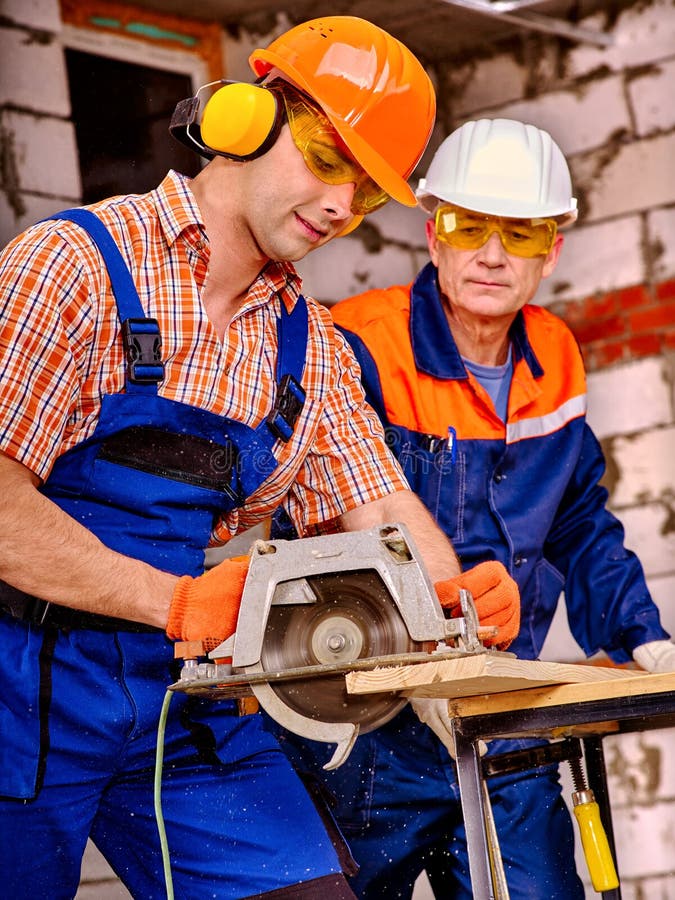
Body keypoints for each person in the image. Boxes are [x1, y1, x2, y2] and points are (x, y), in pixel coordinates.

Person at [0, 19, 522, 900]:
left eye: (365, 194)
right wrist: (171, 601)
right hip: (17, 683)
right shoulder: (72, 266)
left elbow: (375, 501)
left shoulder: (309, 349)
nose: (338, 207)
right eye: (327, 161)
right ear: (247, 119)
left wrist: (447, 600)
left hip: (184, 698)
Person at [271, 117, 675, 898]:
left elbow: (576, 521)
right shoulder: (357, 344)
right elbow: (311, 519)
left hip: (506, 719)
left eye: (520, 235)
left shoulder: (554, 359)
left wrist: (642, 638)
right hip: (368, 734)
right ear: (433, 234)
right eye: (468, 227)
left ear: (551, 249)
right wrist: (408, 655)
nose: (492, 256)